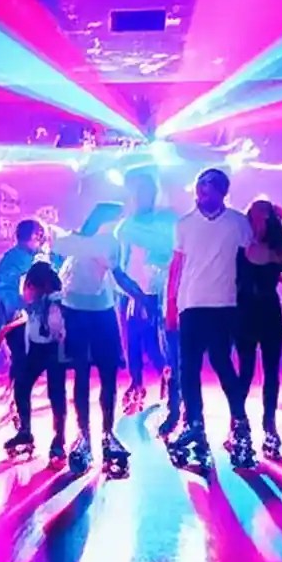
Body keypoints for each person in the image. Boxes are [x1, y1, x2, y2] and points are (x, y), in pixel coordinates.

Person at [165, 169, 256, 470]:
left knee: (221, 363)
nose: (202, 193)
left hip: (224, 305)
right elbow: (176, 267)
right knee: (187, 367)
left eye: (208, 189)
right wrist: (171, 304)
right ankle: (195, 424)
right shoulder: (184, 224)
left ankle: (240, 423)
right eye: (199, 188)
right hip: (191, 304)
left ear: (221, 192)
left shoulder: (238, 223)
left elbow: (249, 262)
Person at [52, 203, 140, 476]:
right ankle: (85, 433)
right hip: (76, 312)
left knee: (108, 375)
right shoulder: (80, 242)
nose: (119, 223)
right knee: (81, 373)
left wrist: (140, 295)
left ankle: (106, 431)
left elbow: (117, 274)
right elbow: (63, 255)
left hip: (101, 312)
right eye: (117, 218)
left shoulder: (107, 243)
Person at [236, 199, 282, 460]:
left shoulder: (278, 249)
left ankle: (270, 425)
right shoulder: (239, 246)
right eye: (256, 216)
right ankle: (238, 424)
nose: (260, 221)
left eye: (265, 217)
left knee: (271, 373)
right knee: (244, 373)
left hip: (268, 313)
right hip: (243, 313)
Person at [0, 261, 68, 467]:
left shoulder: (54, 302)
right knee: (23, 384)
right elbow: (25, 315)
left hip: (54, 348)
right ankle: (27, 431)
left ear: (32, 286)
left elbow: (57, 329)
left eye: (26, 288)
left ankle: (58, 439)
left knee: (55, 391)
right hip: (39, 347)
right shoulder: (37, 301)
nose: (23, 293)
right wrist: (3, 332)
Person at [116, 168, 176, 414]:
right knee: (132, 341)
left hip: (155, 291)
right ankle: (137, 384)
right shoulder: (126, 225)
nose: (143, 196)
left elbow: (172, 255)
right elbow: (121, 262)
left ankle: (167, 376)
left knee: (152, 341)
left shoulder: (166, 221)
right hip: (131, 290)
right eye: (139, 191)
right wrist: (128, 289)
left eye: (147, 190)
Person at [0, 219, 46, 413]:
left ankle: (19, 396)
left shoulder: (40, 257)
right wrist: (22, 305)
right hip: (17, 319)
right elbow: (2, 288)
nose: (40, 238)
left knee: (29, 360)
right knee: (21, 358)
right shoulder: (12, 259)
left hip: (37, 319)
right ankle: (19, 404)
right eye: (37, 234)